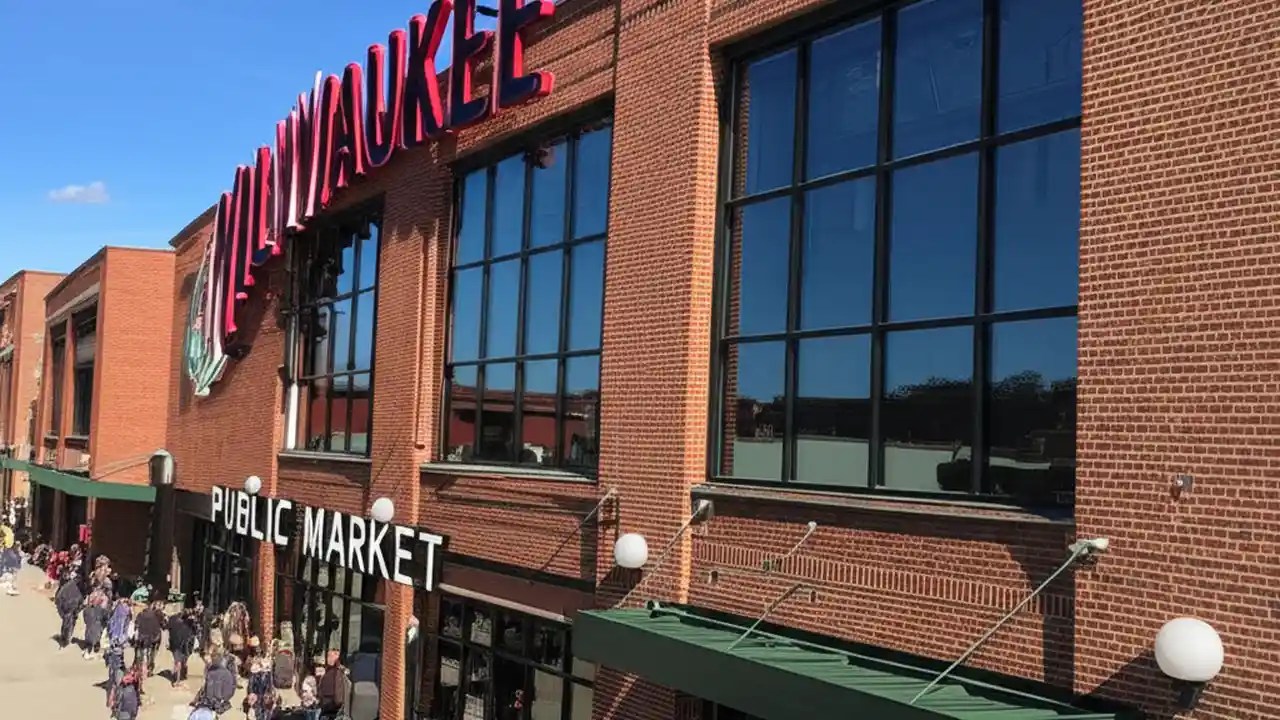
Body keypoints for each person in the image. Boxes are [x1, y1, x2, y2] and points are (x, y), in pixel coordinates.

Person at [195, 649, 237, 716]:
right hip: (217, 700)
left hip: (218, 700)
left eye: (207, 660)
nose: (206, 662)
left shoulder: (218, 671)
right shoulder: (212, 669)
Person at [132, 600, 165, 677]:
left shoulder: (140, 614)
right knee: (152, 654)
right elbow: (163, 625)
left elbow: (136, 626)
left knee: (140, 653)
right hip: (155, 638)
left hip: (142, 638)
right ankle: (149, 668)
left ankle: (139, 668)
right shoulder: (158, 614)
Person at [316, 649, 350, 720]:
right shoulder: (326, 672)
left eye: (332, 655)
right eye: (328, 656)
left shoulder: (340, 673)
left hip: (335, 708)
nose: (329, 658)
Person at [54, 570, 83, 650]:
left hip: (71, 608)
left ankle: (65, 640)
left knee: (68, 623)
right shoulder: (69, 586)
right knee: (68, 624)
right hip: (68, 608)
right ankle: (64, 642)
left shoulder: (73, 586)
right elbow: (59, 598)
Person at [168, 608, 197, 688]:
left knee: (178, 662)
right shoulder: (189, 623)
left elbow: (169, 629)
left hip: (177, 644)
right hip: (184, 645)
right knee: (180, 662)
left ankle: (177, 678)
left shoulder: (173, 620)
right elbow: (194, 633)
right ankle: (177, 679)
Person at [82, 588, 110, 658]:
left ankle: (88, 649)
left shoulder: (92, 595)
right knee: (95, 636)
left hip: (90, 620)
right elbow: (105, 615)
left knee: (90, 635)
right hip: (97, 622)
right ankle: (89, 652)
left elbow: (85, 617)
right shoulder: (103, 599)